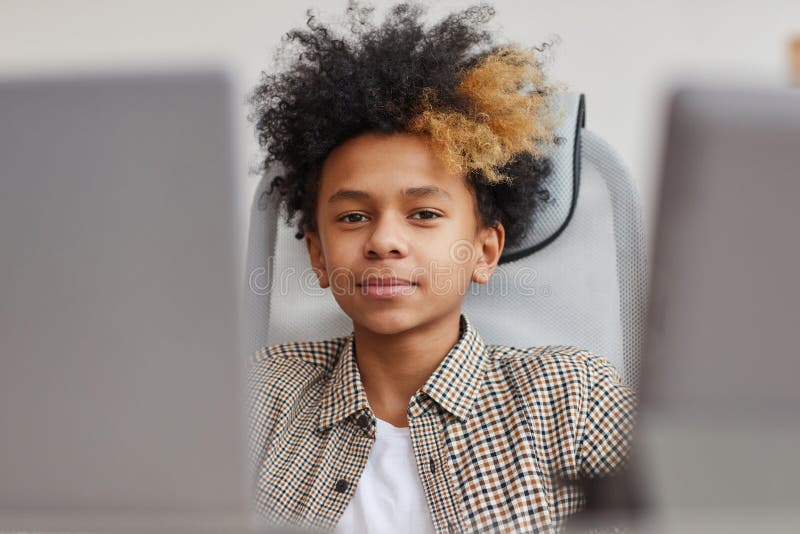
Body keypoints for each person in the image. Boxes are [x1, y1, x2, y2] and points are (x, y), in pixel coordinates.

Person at [247, 2, 636, 532]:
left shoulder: (572, 397)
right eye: (354, 216)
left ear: (485, 250)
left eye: (424, 214)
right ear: (318, 255)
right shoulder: (261, 394)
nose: (384, 241)